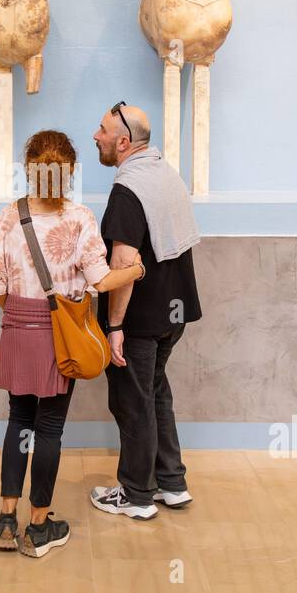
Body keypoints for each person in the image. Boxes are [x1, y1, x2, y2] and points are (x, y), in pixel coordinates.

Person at [0, 130, 145, 557]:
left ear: (31, 169)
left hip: (17, 328)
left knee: (18, 422)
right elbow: (101, 280)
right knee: (50, 428)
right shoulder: (79, 219)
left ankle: (6, 519)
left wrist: (22, 313)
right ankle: (39, 528)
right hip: (61, 336)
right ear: (69, 172)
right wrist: (136, 272)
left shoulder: (8, 216)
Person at [89, 102, 202, 520]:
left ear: (123, 142)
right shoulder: (166, 174)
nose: (95, 136)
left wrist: (115, 325)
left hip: (140, 319)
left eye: (102, 131)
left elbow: (123, 264)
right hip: (175, 312)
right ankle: (171, 483)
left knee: (132, 401)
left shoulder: (127, 190)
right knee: (156, 392)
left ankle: (136, 494)